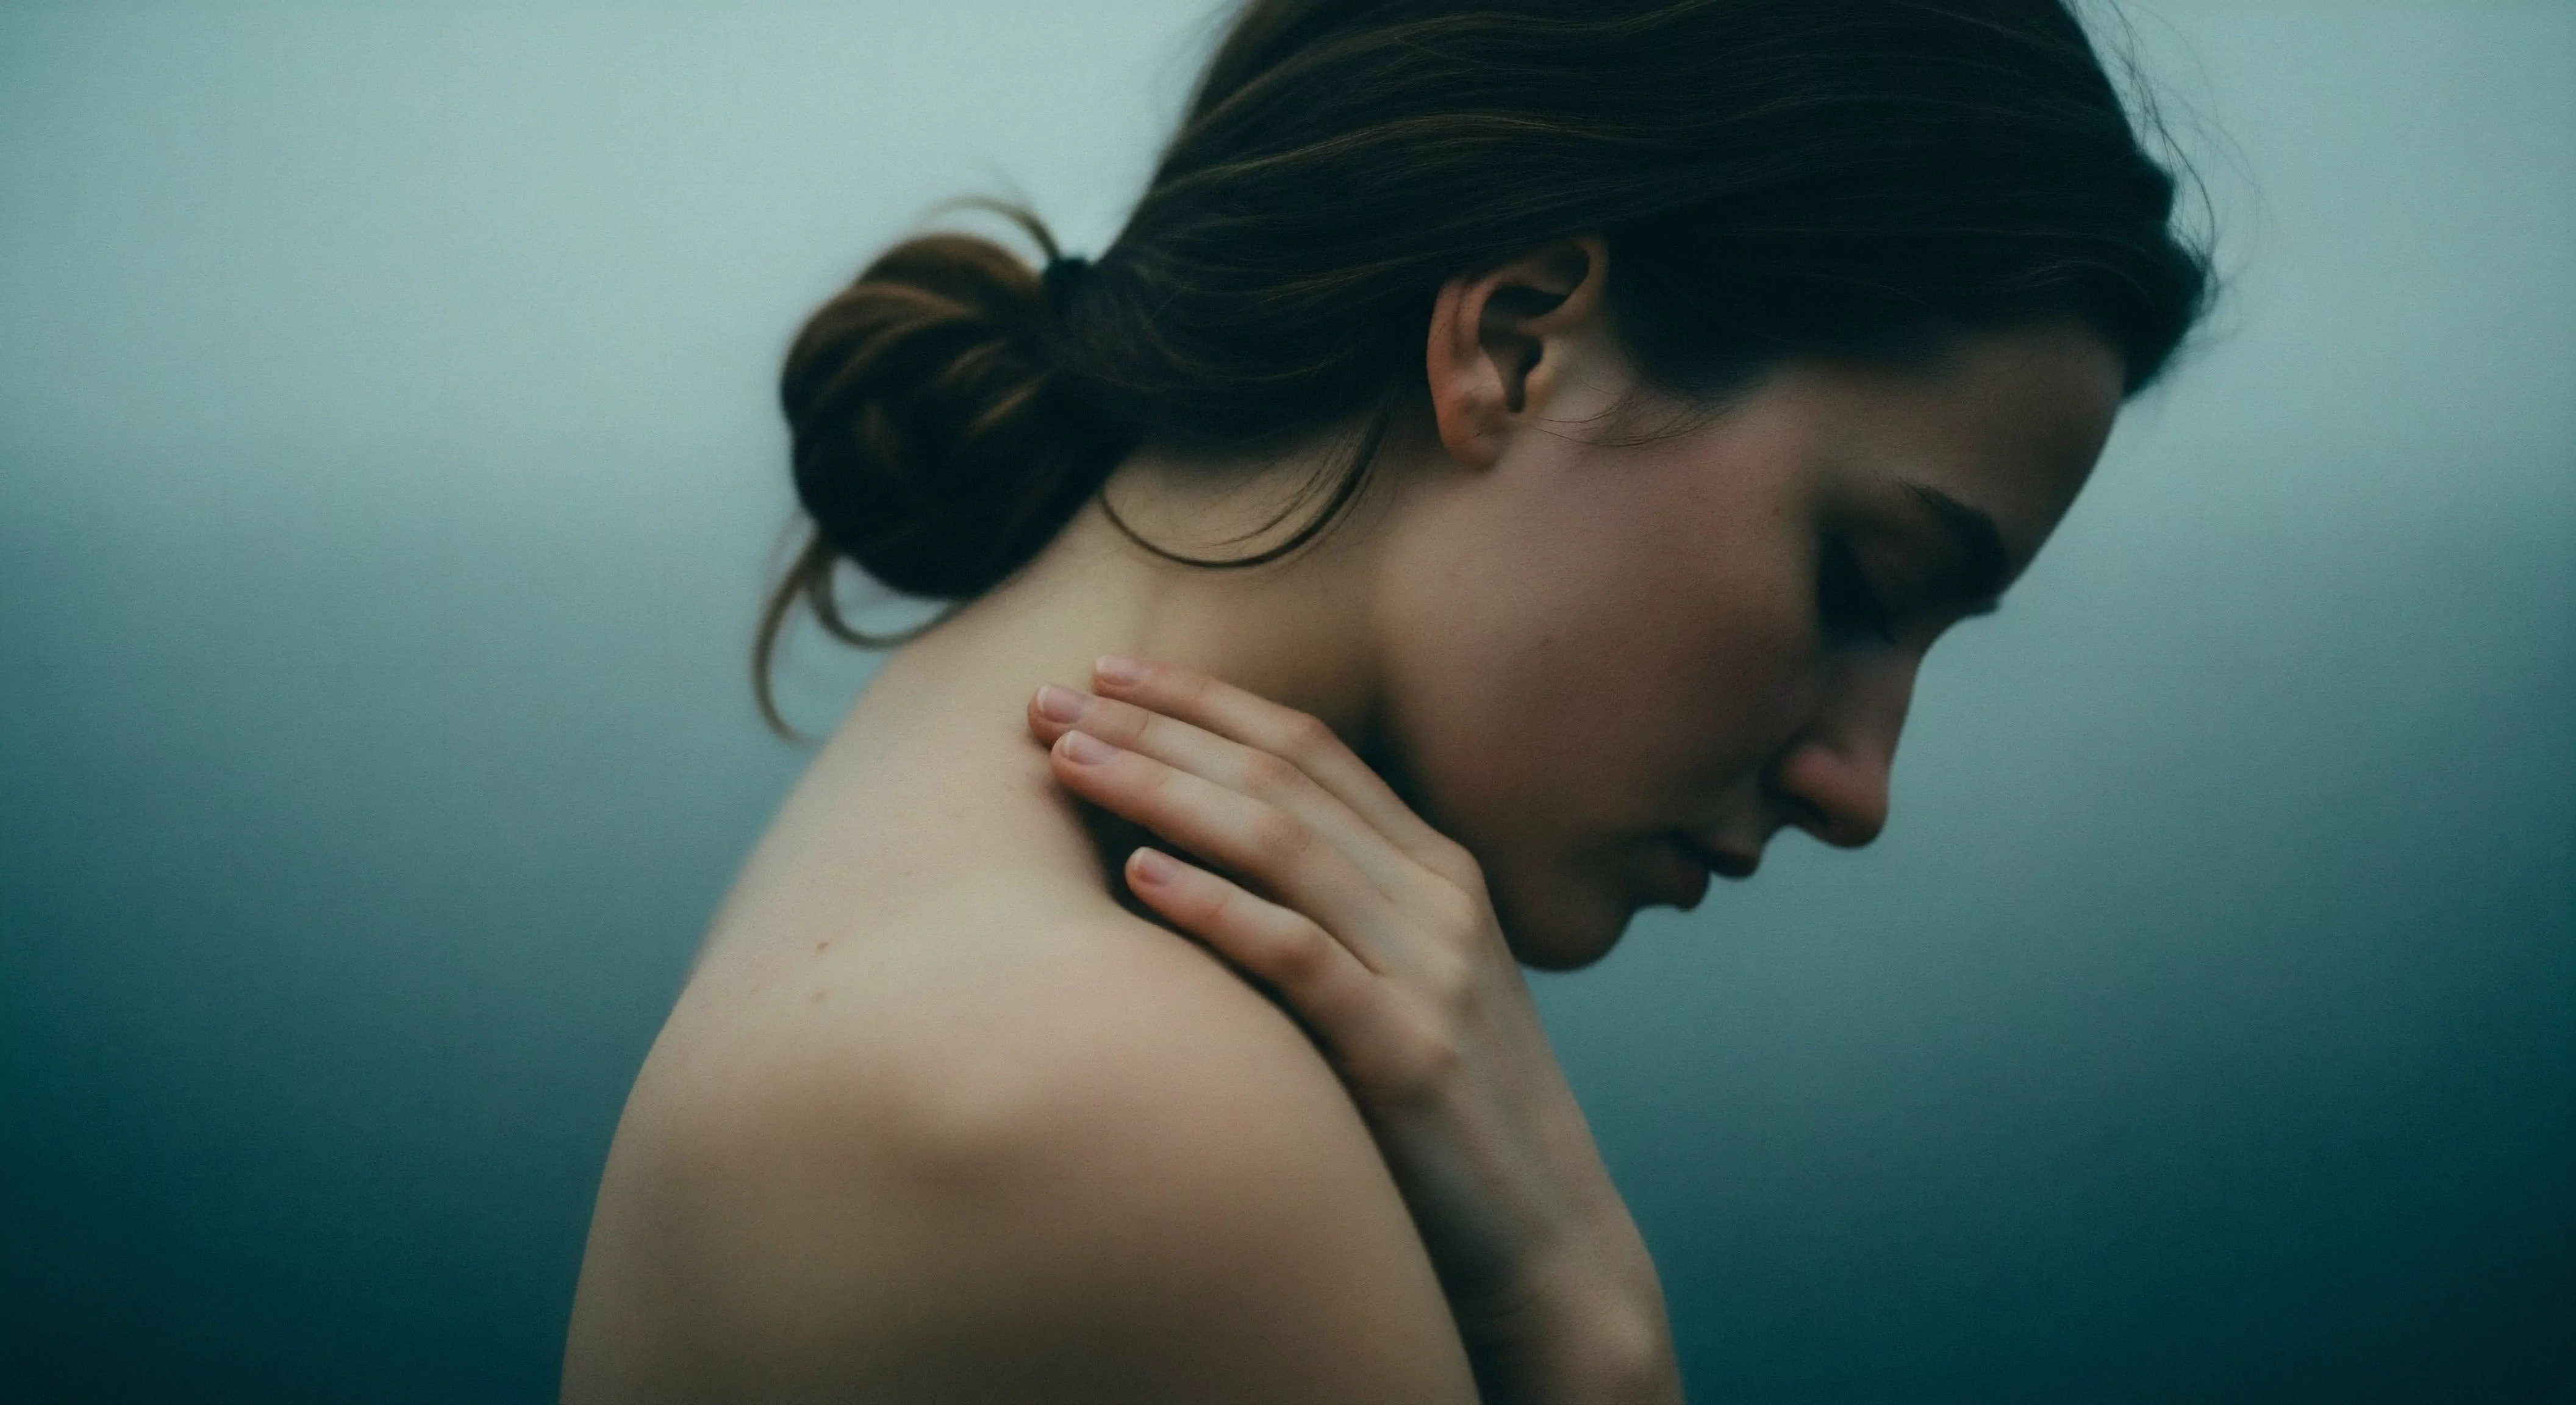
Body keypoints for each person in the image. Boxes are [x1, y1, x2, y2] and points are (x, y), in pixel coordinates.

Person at [560, 1, 2213, 1400]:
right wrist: (1593, 1328)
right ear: (1515, 344)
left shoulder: (956, 850)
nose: (1861, 787)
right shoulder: (1114, 1105)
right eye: (1862, 582)